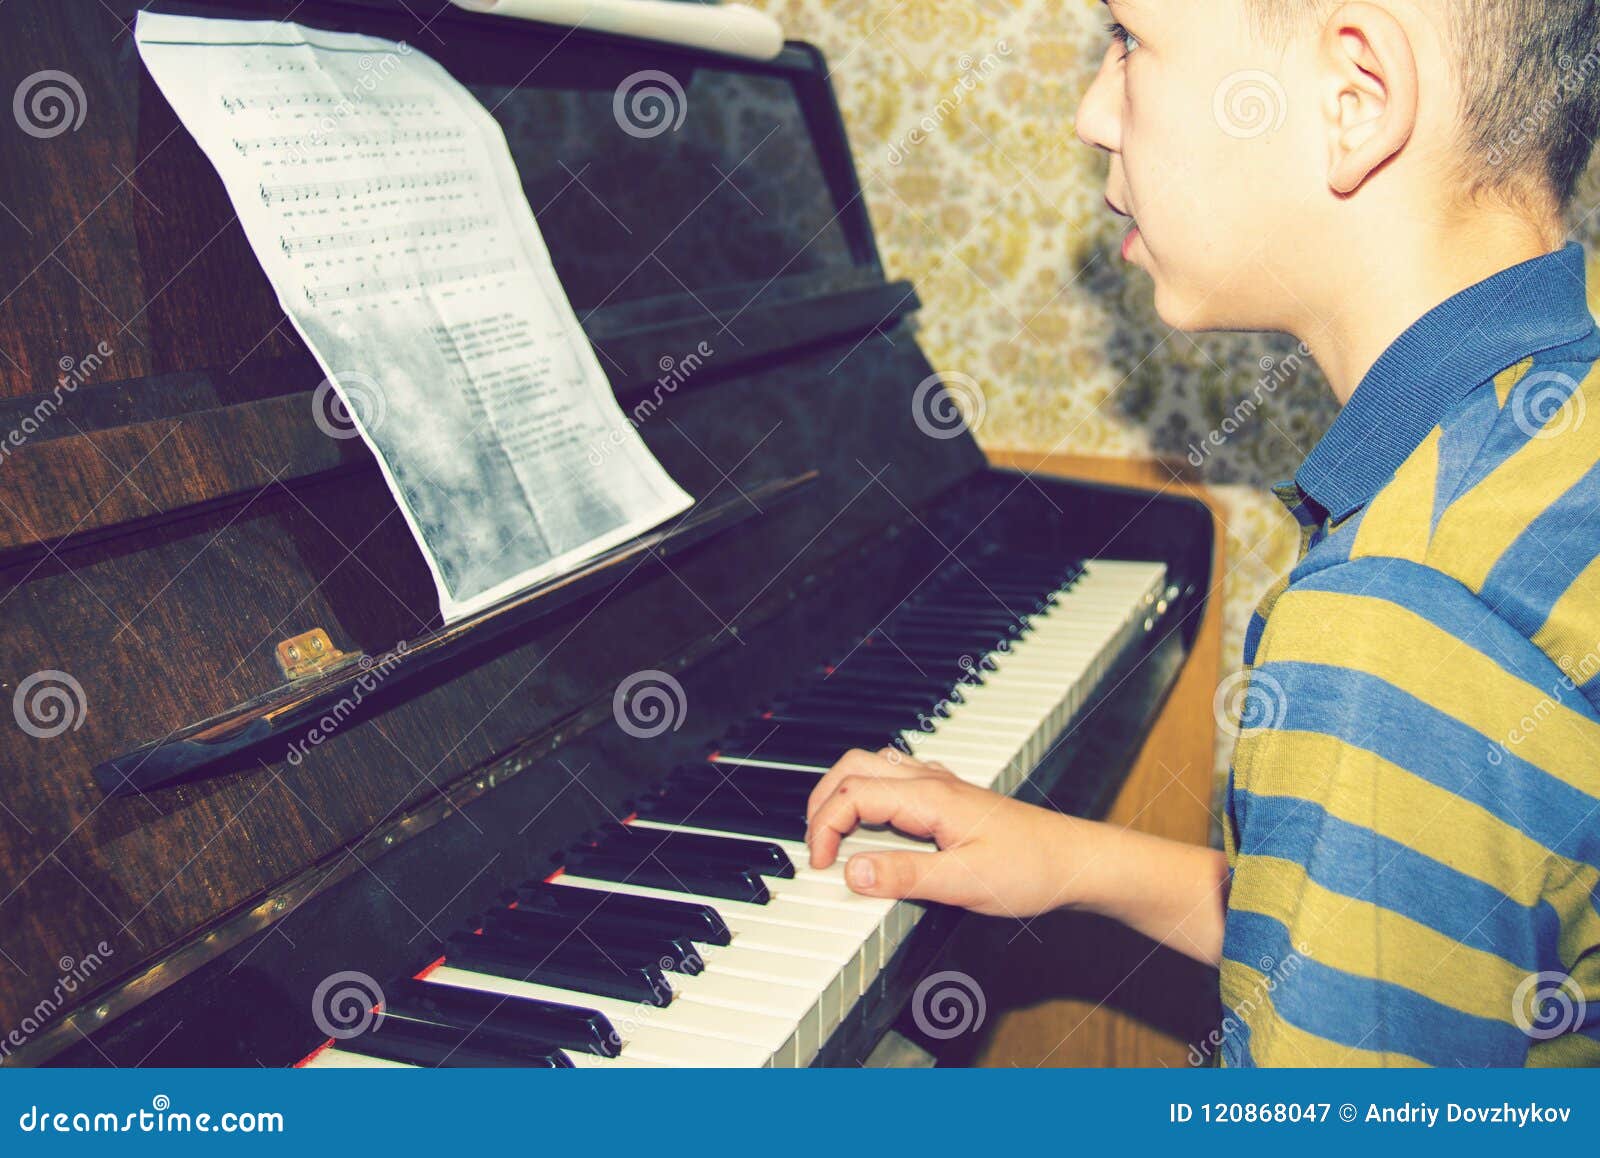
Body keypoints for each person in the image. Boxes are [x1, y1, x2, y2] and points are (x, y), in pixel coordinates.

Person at [805, 0, 1600, 1066]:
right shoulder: (1556, 406)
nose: (1093, 112)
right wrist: (1085, 863)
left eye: (1129, 40)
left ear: (1352, 99)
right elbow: (1414, 940)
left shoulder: (1397, 620)